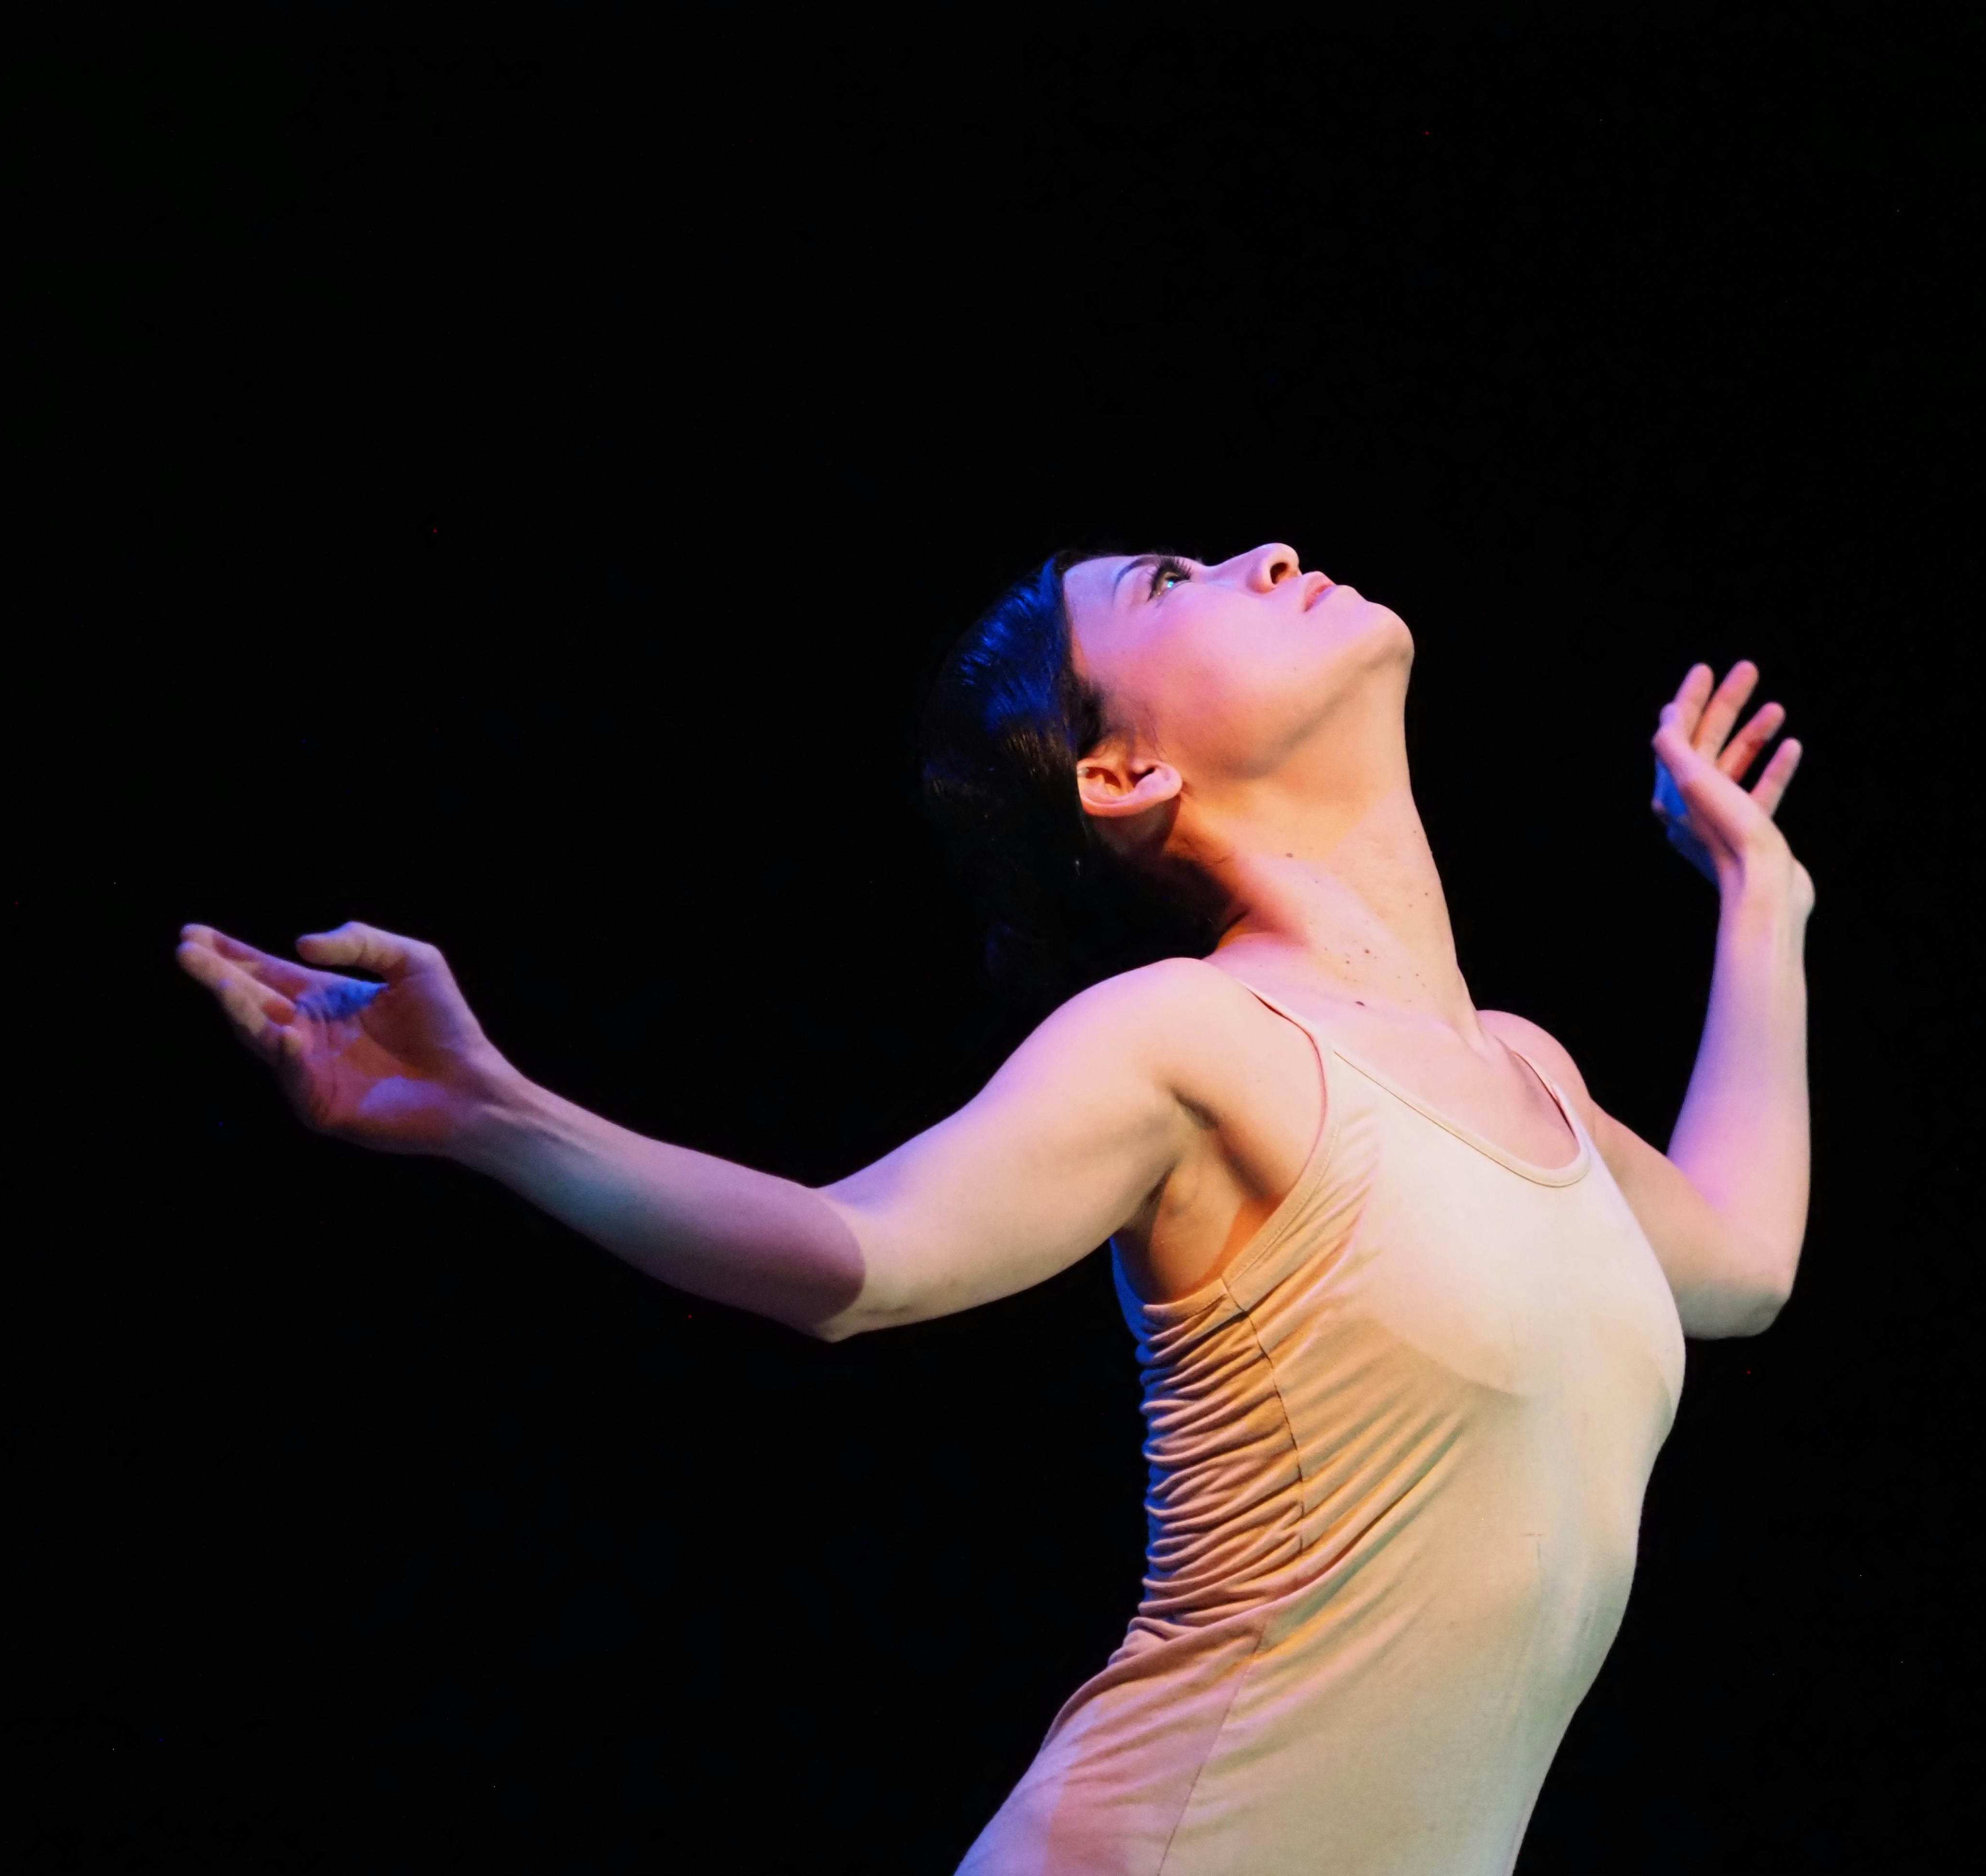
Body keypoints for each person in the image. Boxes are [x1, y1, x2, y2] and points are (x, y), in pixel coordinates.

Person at [178, 541, 1813, 1875]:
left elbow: (1739, 1261)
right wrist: (496, 1113)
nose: (1272, 552)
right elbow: (859, 1258)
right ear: (1125, 770)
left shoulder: (1529, 1073)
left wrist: (1764, 902)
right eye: (1173, 583)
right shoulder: (1191, 1039)